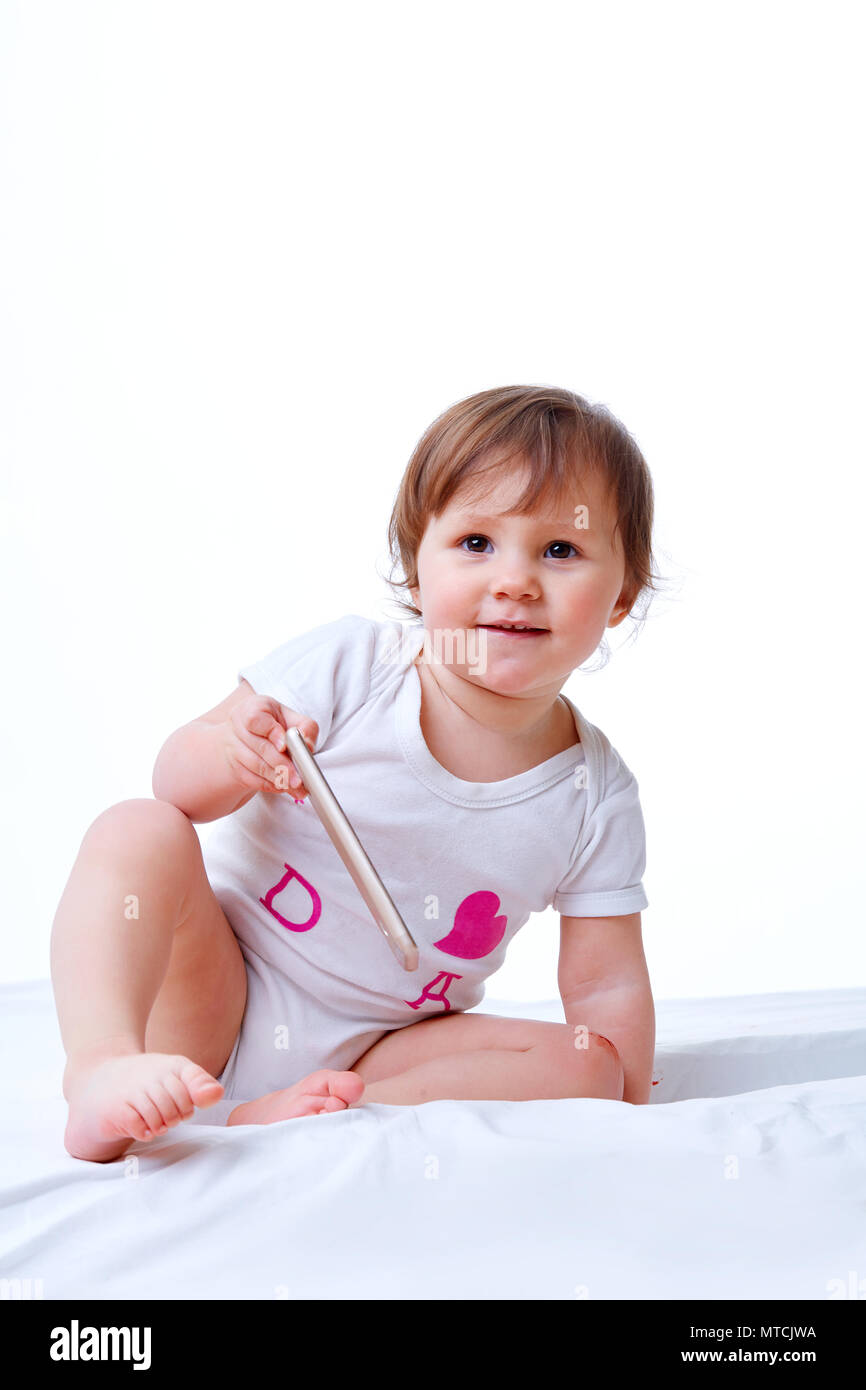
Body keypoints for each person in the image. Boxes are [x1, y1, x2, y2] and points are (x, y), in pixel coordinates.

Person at [51, 384, 659, 1162]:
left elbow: (607, 987)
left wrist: (627, 1093)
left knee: (586, 1060)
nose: (515, 580)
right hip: (222, 994)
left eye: (561, 550)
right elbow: (179, 786)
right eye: (477, 542)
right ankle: (104, 1068)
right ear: (416, 569)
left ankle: (312, 1111)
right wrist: (234, 752)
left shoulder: (595, 793)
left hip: (388, 1049)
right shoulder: (353, 666)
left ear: (622, 597)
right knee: (137, 828)